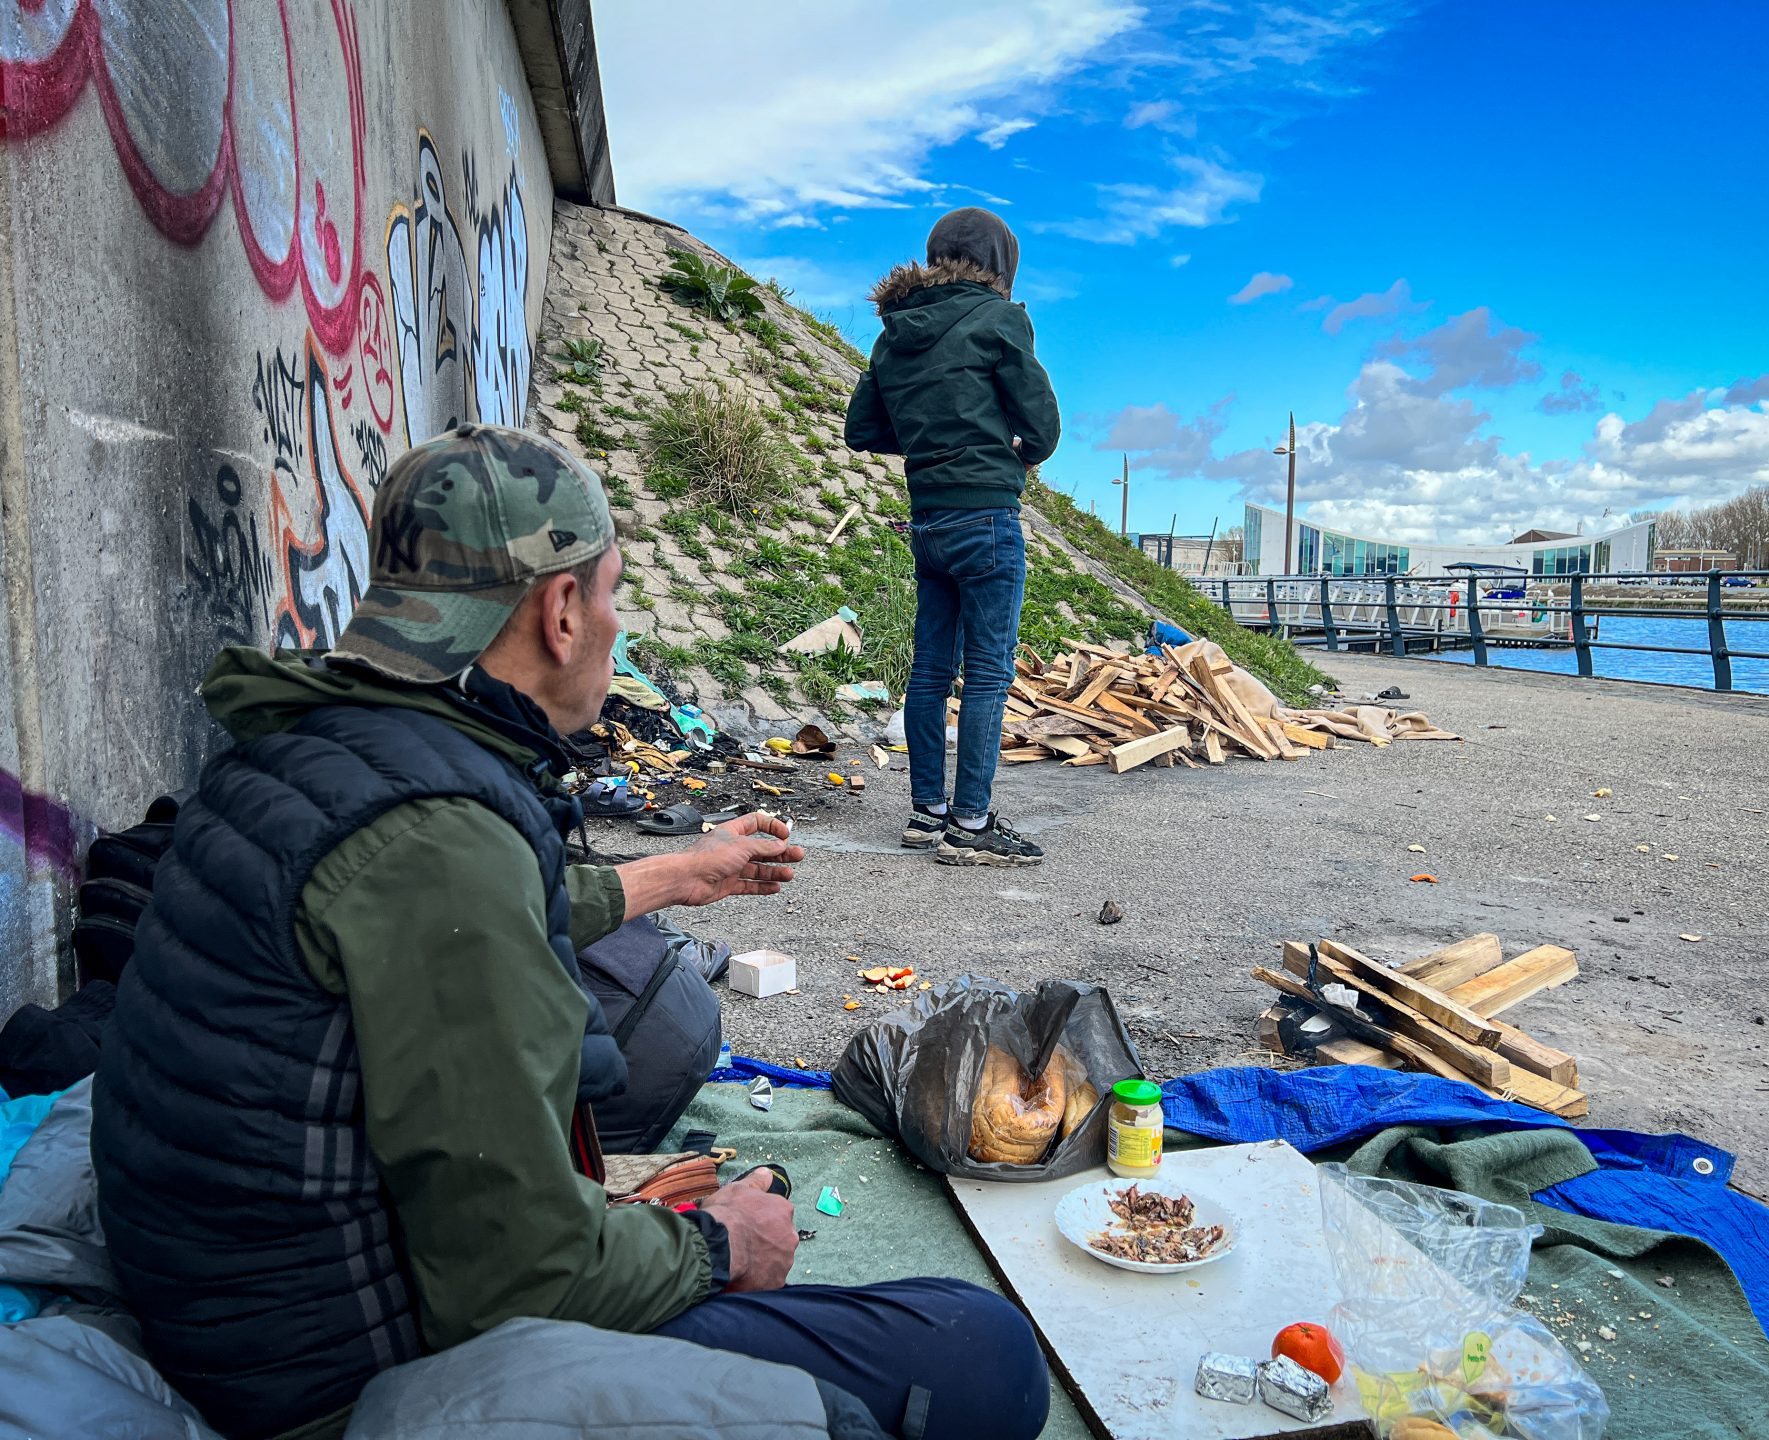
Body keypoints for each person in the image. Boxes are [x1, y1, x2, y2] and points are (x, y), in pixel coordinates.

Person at [89, 425, 1048, 1440]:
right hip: (338, 1386)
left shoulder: (317, 747)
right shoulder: (440, 841)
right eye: (612, 594)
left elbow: (492, 918)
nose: (613, 622)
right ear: (559, 613)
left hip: (237, 1307)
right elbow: (517, 1281)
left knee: (648, 1018)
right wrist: (719, 1246)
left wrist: (683, 872)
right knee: (982, 1354)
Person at [846, 207, 1061, 867]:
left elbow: (862, 430)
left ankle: (926, 814)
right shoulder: (999, 319)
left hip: (928, 521)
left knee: (930, 670)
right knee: (989, 673)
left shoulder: (893, 333)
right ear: (1001, 264)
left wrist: (928, 444)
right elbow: (1043, 428)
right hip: (987, 517)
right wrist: (1005, 452)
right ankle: (970, 825)